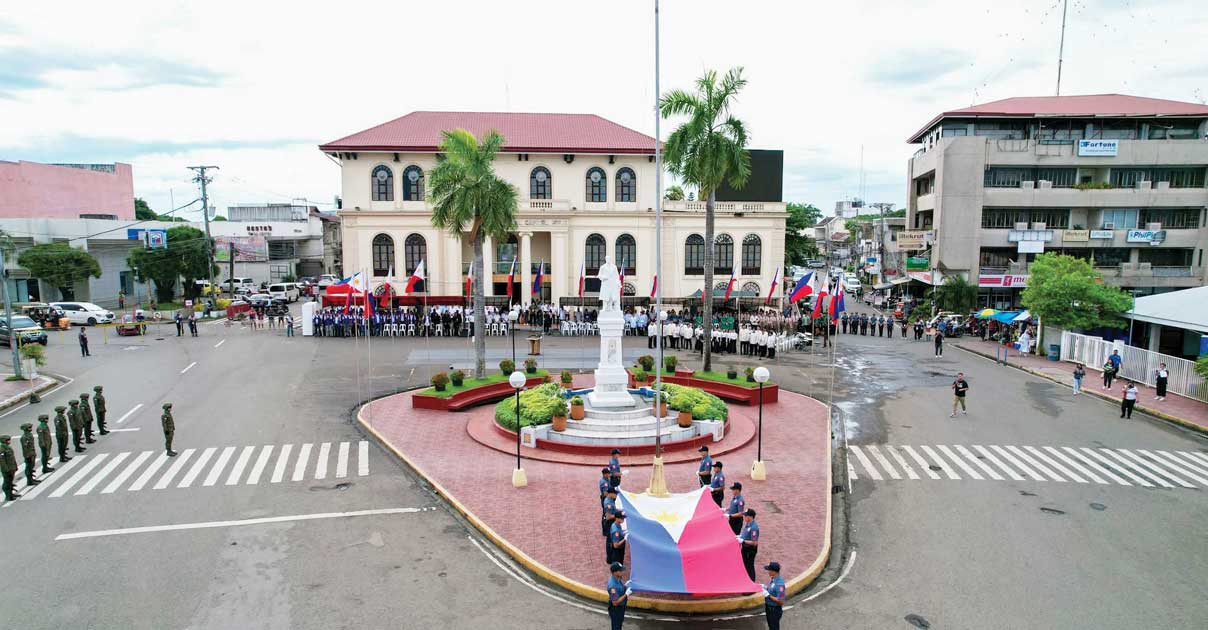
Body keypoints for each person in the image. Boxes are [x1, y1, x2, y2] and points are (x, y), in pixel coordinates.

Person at [763, 562, 786, 630]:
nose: (768, 572)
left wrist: (768, 595)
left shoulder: (780, 585)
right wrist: (765, 588)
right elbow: (772, 589)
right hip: (769, 608)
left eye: (769, 570)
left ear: (774, 571)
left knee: (774, 628)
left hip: (774, 611)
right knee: (771, 626)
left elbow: (781, 601)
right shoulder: (773, 579)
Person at [606, 562, 629, 630]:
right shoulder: (612, 587)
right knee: (616, 627)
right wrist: (626, 594)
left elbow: (620, 587)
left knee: (619, 624)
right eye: (620, 570)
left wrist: (625, 586)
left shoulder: (618, 577)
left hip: (621, 607)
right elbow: (615, 603)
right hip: (616, 610)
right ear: (614, 572)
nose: (622, 571)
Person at [739, 508, 760, 581]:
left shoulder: (754, 528)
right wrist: (740, 537)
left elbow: (754, 542)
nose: (745, 517)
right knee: (745, 564)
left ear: (751, 517)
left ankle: (751, 581)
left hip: (750, 549)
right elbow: (745, 534)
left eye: (746, 516)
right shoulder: (748, 524)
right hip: (745, 548)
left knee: (749, 566)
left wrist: (743, 541)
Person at [0, 435, 19, 501]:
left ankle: (11, 494)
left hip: (11, 467)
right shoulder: (2, 449)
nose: (9, 441)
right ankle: (8, 496)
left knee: (10, 481)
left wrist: (15, 467)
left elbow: (12, 458)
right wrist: (6, 469)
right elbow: (2, 461)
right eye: (7, 440)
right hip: (7, 469)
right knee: (7, 483)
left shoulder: (7, 447)